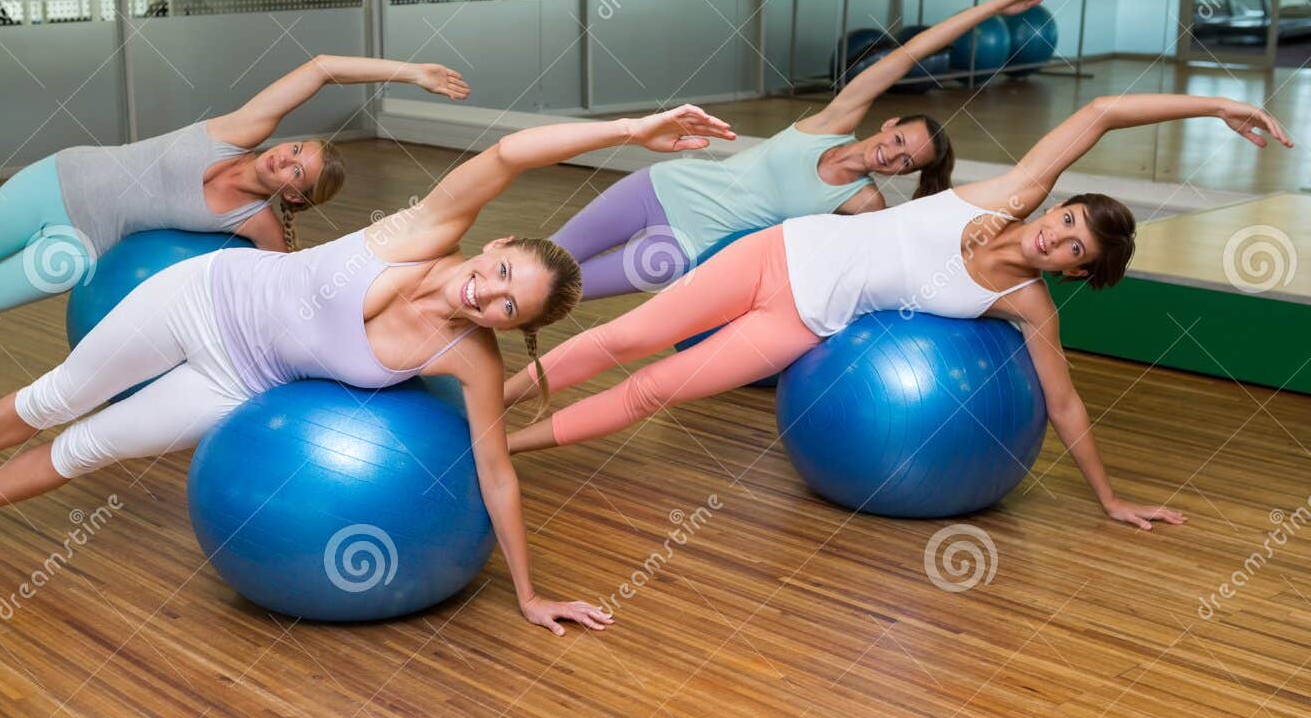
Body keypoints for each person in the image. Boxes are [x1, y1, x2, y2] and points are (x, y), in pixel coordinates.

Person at [0, 105, 735, 634]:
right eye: (498, 273)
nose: (487, 297)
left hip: (234, 382)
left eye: (509, 307)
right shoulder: (422, 238)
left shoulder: (470, 360)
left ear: (512, 325)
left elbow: (496, 473)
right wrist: (635, 126)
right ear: (490, 246)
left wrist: (531, 594)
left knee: (83, 451)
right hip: (199, 297)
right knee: (54, 397)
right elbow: (502, 152)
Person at [503, 93, 1292, 530]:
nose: (1056, 239)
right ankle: (494, 401)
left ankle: (507, 447)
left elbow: (1063, 402)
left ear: (1079, 270)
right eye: (1067, 220)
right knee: (620, 338)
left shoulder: (1024, 305)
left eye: (1075, 250)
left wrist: (1111, 497)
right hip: (776, 253)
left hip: (802, 325)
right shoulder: (1005, 196)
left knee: (655, 390)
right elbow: (1103, 113)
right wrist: (1217, 104)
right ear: (1058, 206)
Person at [0, 55, 471, 397]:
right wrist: (409, 72)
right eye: (296, 151)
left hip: (76, 246)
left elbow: (296, 290)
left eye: (301, 176)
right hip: (52, 180)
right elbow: (320, 68)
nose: (288, 163)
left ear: (300, 197)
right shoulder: (237, 130)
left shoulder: (255, 221)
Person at [549, 0, 1060, 300]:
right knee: (545, 257)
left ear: (902, 173)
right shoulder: (833, 120)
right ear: (889, 123)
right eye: (902, 138)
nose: (896, 153)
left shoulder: (863, 202)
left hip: (683, 247)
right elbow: (909, 54)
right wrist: (992, 9)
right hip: (659, 188)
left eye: (907, 161)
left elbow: (903, 250)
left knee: (560, 291)